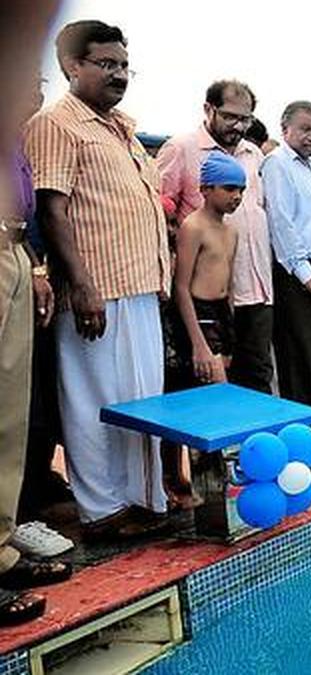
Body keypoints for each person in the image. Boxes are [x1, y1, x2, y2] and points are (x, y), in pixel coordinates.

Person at [27, 20, 173, 540]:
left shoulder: (124, 128)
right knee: (95, 404)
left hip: (138, 285)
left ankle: (144, 500)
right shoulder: (57, 123)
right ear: (72, 66)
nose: (119, 75)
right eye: (106, 64)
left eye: (122, 66)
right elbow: (53, 209)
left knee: (141, 402)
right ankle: (103, 510)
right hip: (96, 290)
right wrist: (82, 284)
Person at [1, 67, 74, 627]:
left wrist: (35, 265)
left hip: (15, 252)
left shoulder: (17, 136)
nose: (37, 86)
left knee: (8, 415)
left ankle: (1, 552)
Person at [157, 80, 274, 394]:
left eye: (245, 119)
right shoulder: (181, 148)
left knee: (255, 378)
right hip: (198, 302)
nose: (238, 126)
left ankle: (253, 445)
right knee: (205, 387)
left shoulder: (254, 155)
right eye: (230, 117)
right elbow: (159, 207)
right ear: (209, 109)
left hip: (251, 291)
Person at [262, 101, 311, 437]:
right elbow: (282, 223)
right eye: (306, 129)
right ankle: (299, 441)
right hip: (300, 277)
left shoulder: (310, 166)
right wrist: (307, 274)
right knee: (299, 361)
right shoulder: (278, 164)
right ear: (286, 129)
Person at [170, 153, 244, 390]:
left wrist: (230, 328)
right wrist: (198, 343)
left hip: (221, 312)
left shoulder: (231, 231)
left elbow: (229, 285)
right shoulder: (193, 227)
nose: (237, 196)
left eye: (241, 190)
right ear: (206, 189)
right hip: (199, 312)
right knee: (218, 388)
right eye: (230, 189)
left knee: (218, 386)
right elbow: (181, 287)